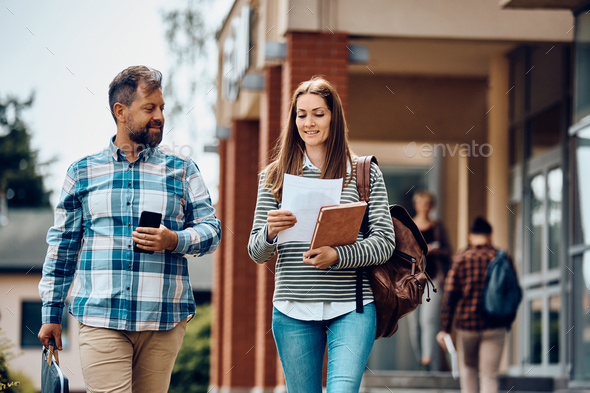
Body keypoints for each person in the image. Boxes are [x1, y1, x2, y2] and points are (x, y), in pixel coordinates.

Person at [38, 66, 221, 393]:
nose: (160, 116)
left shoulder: (182, 170)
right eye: (149, 108)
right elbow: (62, 248)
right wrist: (51, 312)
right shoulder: (82, 172)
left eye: (162, 108)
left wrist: (173, 239)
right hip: (101, 318)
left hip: (163, 320)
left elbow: (212, 231)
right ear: (120, 112)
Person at [247, 76, 396, 393]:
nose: (308, 122)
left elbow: (384, 242)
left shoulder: (362, 172)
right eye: (301, 114)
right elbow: (256, 252)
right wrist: (270, 233)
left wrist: (338, 256)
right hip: (292, 309)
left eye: (318, 113)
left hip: (351, 308)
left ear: (334, 118)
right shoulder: (274, 176)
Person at [436, 217, 512, 393]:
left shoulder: (461, 258)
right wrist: (506, 320)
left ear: (471, 236)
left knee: (469, 369)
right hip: (495, 325)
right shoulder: (502, 258)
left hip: (467, 325)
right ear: (490, 235)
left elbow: (450, 296)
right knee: (489, 375)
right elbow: (513, 294)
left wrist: (445, 329)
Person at [407, 190, 452, 371]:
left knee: (429, 320)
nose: (424, 207)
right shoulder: (408, 225)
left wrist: (435, 250)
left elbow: (449, 251)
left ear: (431, 206)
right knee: (414, 325)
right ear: (416, 205)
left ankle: (428, 360)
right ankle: (421, 359)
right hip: (411, 282)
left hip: (433, 281)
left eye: (428, 203)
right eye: (421, 203)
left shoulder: (437, 227)